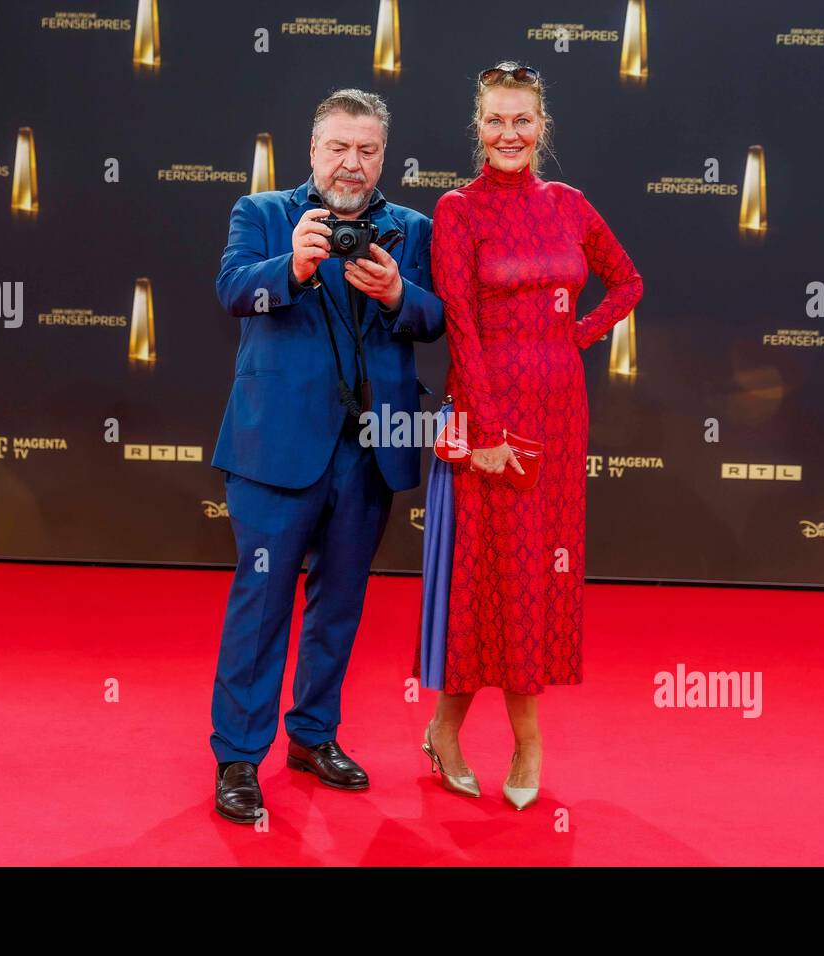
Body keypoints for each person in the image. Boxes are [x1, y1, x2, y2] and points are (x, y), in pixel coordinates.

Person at [210, 89, 445, 823]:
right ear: (311, 151)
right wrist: (292, 270)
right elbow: (231, 291)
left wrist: (401, 293)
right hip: (274, 448)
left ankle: (312, 737)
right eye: (338, 147)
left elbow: (438, 320)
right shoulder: (263, 214)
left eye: (367, 149)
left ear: (383, 156)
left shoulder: (414, 228)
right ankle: (238, 758)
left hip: (369, 452)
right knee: (261, 605)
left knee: (339, 606)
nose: (352, 162)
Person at [418, 62, 644, 809]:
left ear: (542, 128)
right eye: (495, 120)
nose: (508, 133)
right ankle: (458, 733)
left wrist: (572, 336)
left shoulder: (571, 205)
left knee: (537, 577)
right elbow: (461, 326)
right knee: (481, 581)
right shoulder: (458, 210)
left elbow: (628, 281)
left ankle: (521, 739)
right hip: (488, 414)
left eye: (521, 120)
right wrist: (484, 430)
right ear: (476, 128)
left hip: (560, 414)